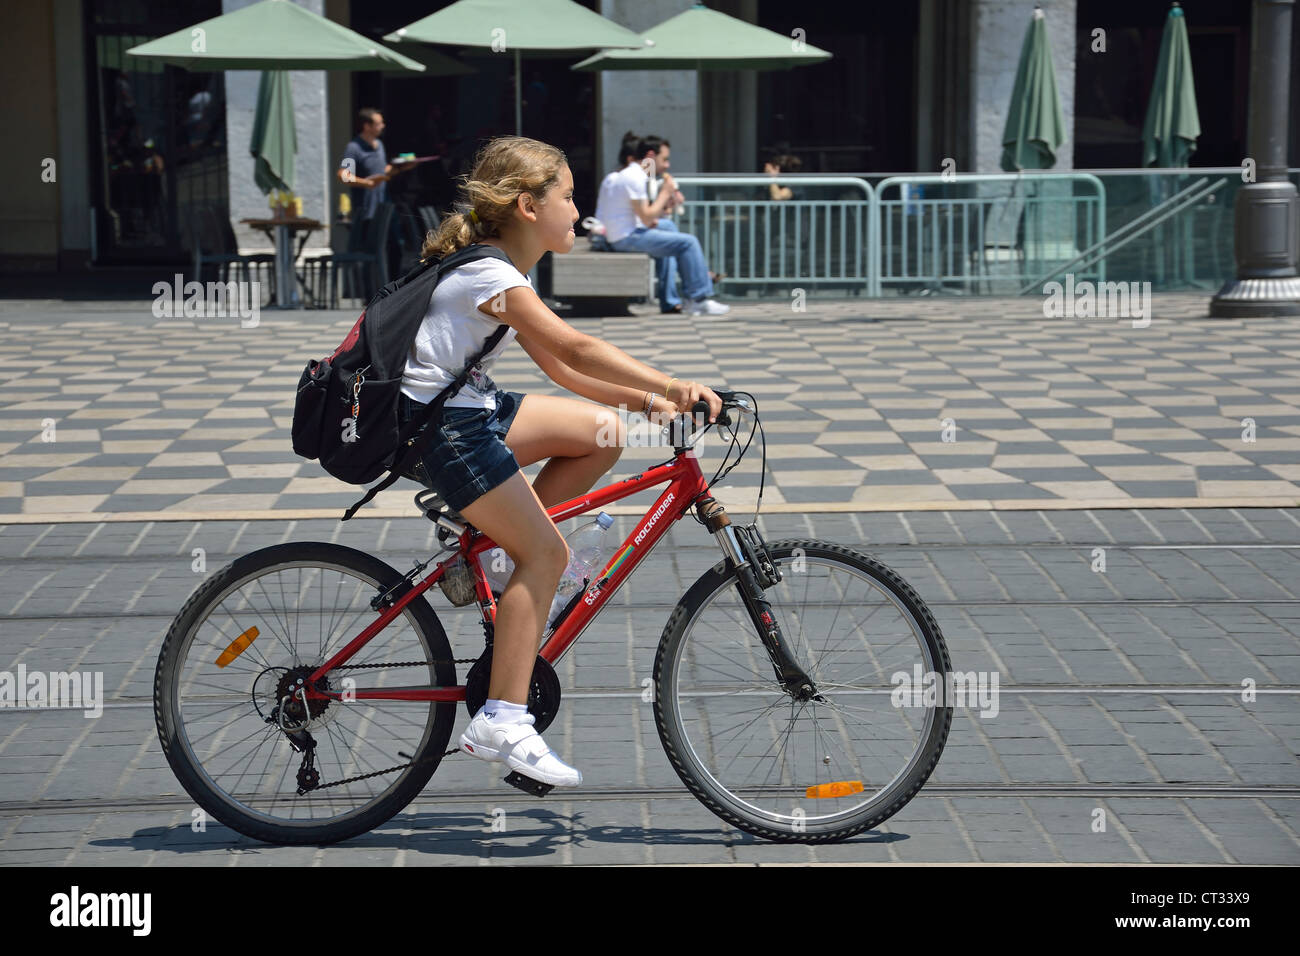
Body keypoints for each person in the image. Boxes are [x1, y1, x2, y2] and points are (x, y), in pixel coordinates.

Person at [399, 136, 723, 787]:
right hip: (445, 433)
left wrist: (640, 404)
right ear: (527, 205)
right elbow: (576, 345)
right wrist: (671, 386)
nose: (579, 211)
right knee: (545, 556)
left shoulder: (496, 270)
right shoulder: (489, 275)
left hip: (469, 414)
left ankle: (494, 552)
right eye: (569, 197)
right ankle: (503, 720)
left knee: (603, 433)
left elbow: (559, 367)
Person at [592, 134, 730, 317]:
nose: (667, 165)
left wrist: (664, 204)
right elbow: (647, 218)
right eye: (664, 158)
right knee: (688, 243)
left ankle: (674, 299)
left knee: (669, 228)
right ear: (651, 155)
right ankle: (698, 299)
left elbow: (643, 215)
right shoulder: (634, 177)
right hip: (626, 238)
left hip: (623, 233)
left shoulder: (632, 174)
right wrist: (665, 193)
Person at [337, 108, 414, 222]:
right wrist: (366, 183)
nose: (382, 126)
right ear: (367, 126)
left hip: (382, 208)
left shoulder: (379, 145)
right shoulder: (354, 147)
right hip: (364, 212)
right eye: (378, 124)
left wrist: (401, 168)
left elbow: (382, 171)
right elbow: (343, 175)